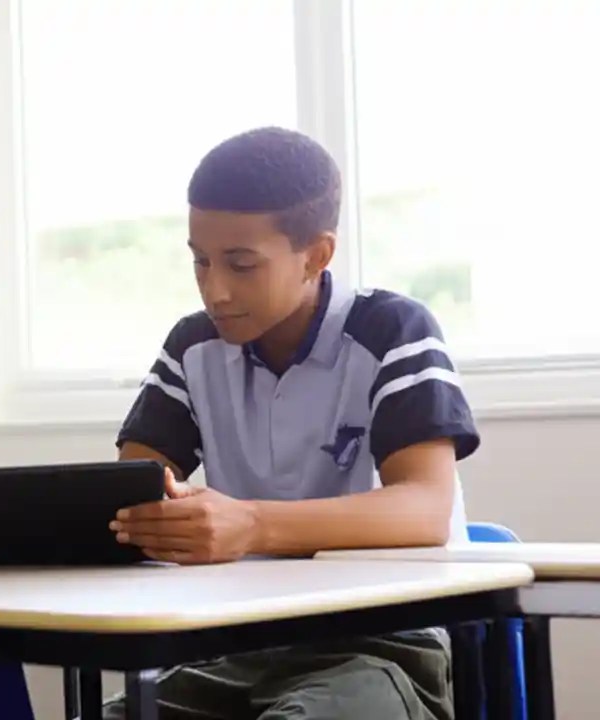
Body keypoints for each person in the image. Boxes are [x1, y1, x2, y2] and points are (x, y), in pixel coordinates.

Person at [107, 127, 479, 720]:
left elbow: (425, 508)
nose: (215, 289)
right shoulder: (191, 346)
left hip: (380, 649)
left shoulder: (394, 332)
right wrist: (163, 513)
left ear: (317, 255)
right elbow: (128, 491)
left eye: (242, 265)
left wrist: (250, 525)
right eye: (200, 261)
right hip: (233, 646)